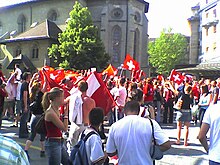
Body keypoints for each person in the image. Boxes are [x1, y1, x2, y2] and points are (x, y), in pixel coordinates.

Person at [106, 101, 171, 165]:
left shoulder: (115, 126)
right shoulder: (151, 123)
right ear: (139, 111)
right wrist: (152, 150)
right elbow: (166, 144)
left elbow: (110, 152)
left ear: (124, 111)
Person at [42, 87, 69, 165]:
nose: (63, 99)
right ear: (57, 98)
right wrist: (66, 114)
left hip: (59, 141)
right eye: (62, 97)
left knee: (68, 162)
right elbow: (64, 128)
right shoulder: (50, 113)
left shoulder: (56, 109)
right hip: (53, 143)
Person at [68, 80, 96, 146]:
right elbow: (94, 115)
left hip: (75, 125)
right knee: (84, 148)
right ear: (87, 88)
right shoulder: (91, 101)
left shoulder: (72, 98)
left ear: (78, 88)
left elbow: (63, 102)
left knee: (72, 147)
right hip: (86, 126)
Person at [24, 82, 46, 159]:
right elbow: (45, 85)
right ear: (39, 88)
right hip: (40, 117)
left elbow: (30, 85)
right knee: (43, 134)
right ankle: (42, 151)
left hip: (33, 117)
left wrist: (33, 78)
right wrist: (45, 75)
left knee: (32, 134)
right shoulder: (40, 95)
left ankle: (26, 150)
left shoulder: (31, 94)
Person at [19, 72, 32, 138]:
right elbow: (25, 95)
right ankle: (22, 133)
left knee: (25, 118)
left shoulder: (25, 84)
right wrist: (26, 106)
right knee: (24, 118)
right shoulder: (25, 84)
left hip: (25, 103)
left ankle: (25, 131)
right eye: (30, 76)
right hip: (25, 103)